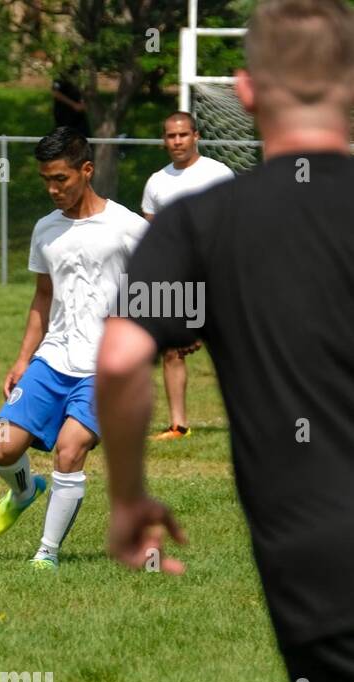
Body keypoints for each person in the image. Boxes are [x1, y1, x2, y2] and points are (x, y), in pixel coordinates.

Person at [96, 0, 354, 682]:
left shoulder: (206, 221)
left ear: (242, 92)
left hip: (319, 564)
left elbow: (120, 356)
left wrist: (128, 496)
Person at [0, 127, 147, 569]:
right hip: (54, 357)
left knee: (70, 449)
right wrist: (22, 359)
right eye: (45, 180)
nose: (53, 189)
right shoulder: (46, 230)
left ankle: (46, 554)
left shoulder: (126, 227)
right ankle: (24, 491)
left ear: (87, 170)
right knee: (3, 448)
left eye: (61, 179)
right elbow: (43, 295)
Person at [139, 111, 234, 441]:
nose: (176, 141)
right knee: (173, 350)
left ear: (196, 136)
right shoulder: (156, 182)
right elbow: (152, 233)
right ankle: (178, 425)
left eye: (182, 135)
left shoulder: (218, 174)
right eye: (170, 136)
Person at [51, 71, 92, 138]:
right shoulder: (61, 73)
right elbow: (55, 93)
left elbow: (80, 90)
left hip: (78, 117)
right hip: (64, 115)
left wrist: (83, 102)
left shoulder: (78, 70)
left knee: (84, 138)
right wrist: (74, 105)